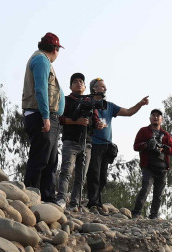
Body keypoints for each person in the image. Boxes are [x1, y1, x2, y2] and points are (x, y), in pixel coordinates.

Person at [83, 78, 149, 210]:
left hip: (106, 146)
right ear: (94, 88)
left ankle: (98, 202)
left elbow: (128, 112)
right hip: (93, 144)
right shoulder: (87, 103)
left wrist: (140, 104)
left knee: (103, 177)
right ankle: (93, 203)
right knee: (93, 174)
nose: (105, 89)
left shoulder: (109, 106)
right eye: (102, 86)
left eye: (105, 87)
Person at [21, 33, 65, 201]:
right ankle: (30, 195)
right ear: (55, 49)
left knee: (51, 160)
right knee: (40, 159)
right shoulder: (41, 60)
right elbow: (41, 89)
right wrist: (46, 117)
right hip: (41, 115)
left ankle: (48, 198)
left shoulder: (42, 60)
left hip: (47, 116)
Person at [57, 73, 104, 210]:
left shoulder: (90, 102)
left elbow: (95, 120)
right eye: (75, 82)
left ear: (84, 87)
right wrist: (76, 121)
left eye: (81, 82)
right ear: (70, 86)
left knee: (81, 177)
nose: (78, 84)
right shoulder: (66, 100)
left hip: (86, 143)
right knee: (66, 172)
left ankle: (74, 203)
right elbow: (60, 118)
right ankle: (61, 199)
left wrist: (98, 124)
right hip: (70, 141)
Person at [132, 109, 172, 219]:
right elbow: (136, 146)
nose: (156, 117)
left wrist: (164, 148)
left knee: (158, 194)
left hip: (162, 168)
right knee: (145, 189)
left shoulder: (166, 135)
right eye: (153, 115)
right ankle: (136, 213)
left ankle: (154, 215)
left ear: (162, 119)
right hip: (148, 166)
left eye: (158, 116)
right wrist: (146, 145)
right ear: (150, 118)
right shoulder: (144, 131)